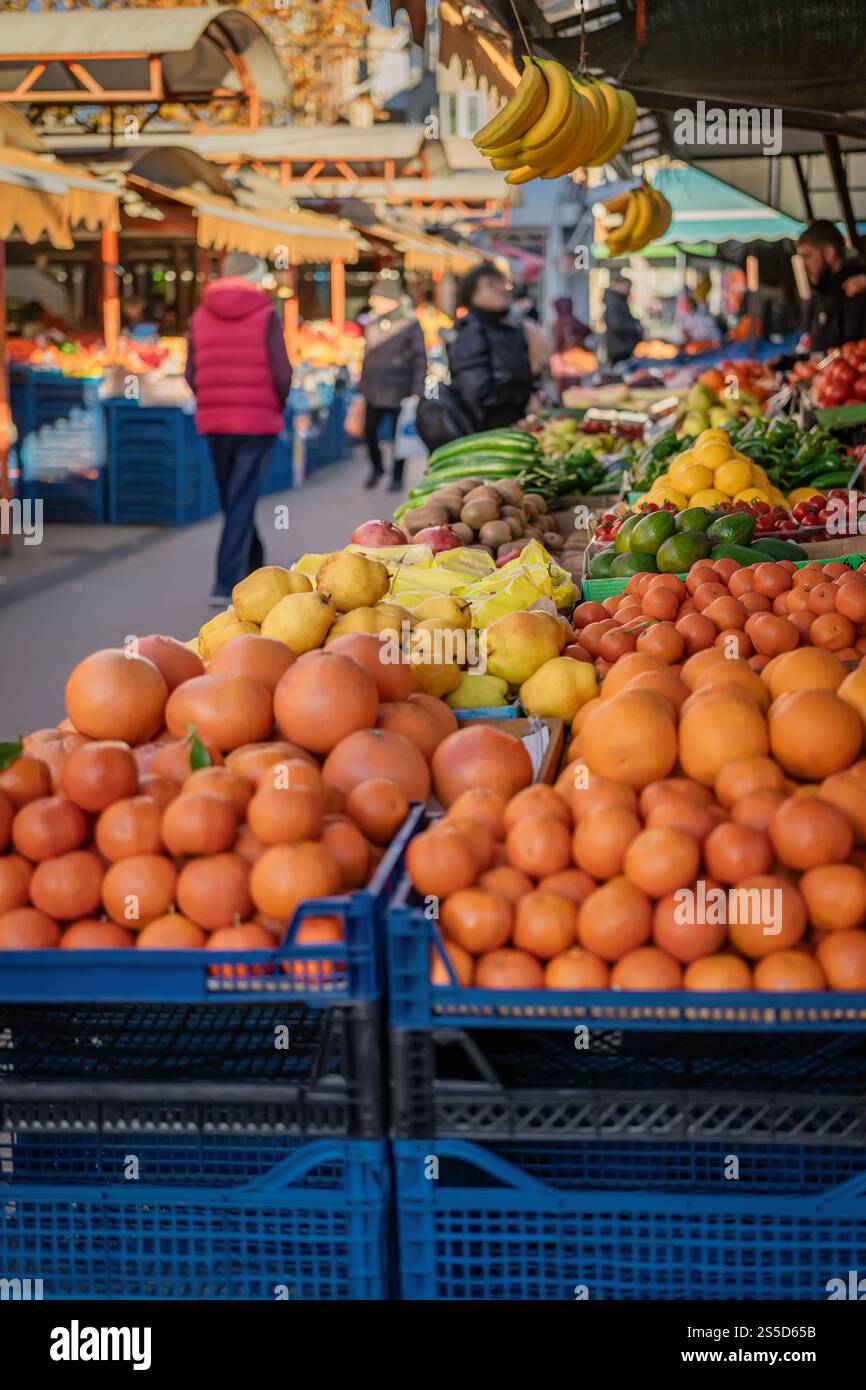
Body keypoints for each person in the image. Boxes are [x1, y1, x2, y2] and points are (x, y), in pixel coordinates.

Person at [185, 251, 291, 605]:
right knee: (241, 497)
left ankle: (255, 566)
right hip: (257, 424)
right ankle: (224, 581)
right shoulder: (265, 314)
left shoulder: (200, 315)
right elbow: (282, 371)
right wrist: (277, 405)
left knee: (235, 497)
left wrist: (210, 401)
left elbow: (190, 371)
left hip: (216, 422)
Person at [358, 278, 427, 491]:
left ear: (390, 300)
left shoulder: (409, 324)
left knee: (400, 437)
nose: (372, 301)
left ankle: (397, 477)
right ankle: (377, 468)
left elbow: (419, 358)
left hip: (400, 388)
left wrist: (417, 390)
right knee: (369, 431)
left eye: (376, 297)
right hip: (374, 388)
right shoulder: (372, 322)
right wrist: (362, 387)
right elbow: (367, 357)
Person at [447, 264, 534, 432]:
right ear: (472, 294)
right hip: (487, 429)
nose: (502, 289)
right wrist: (522, 398)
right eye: (491, 285)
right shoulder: (472, 329)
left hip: (513, 423)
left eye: (502, 283)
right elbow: (476, 391)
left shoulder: (509, 326)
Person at [796, 220, 866, 352]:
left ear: (829, 252)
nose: (804, 266)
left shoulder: (859, 290)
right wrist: (788, 361)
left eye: (808, 256)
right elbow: (816, 353)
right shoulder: (819, 295)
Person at [603, 275, 642, 365]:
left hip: (622, 347)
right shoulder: (614, 302)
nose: (628, 289)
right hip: (619, 348)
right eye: (626, 286)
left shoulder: (619, 300)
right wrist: (634, 327)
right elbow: (616, 324)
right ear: (617, 285)